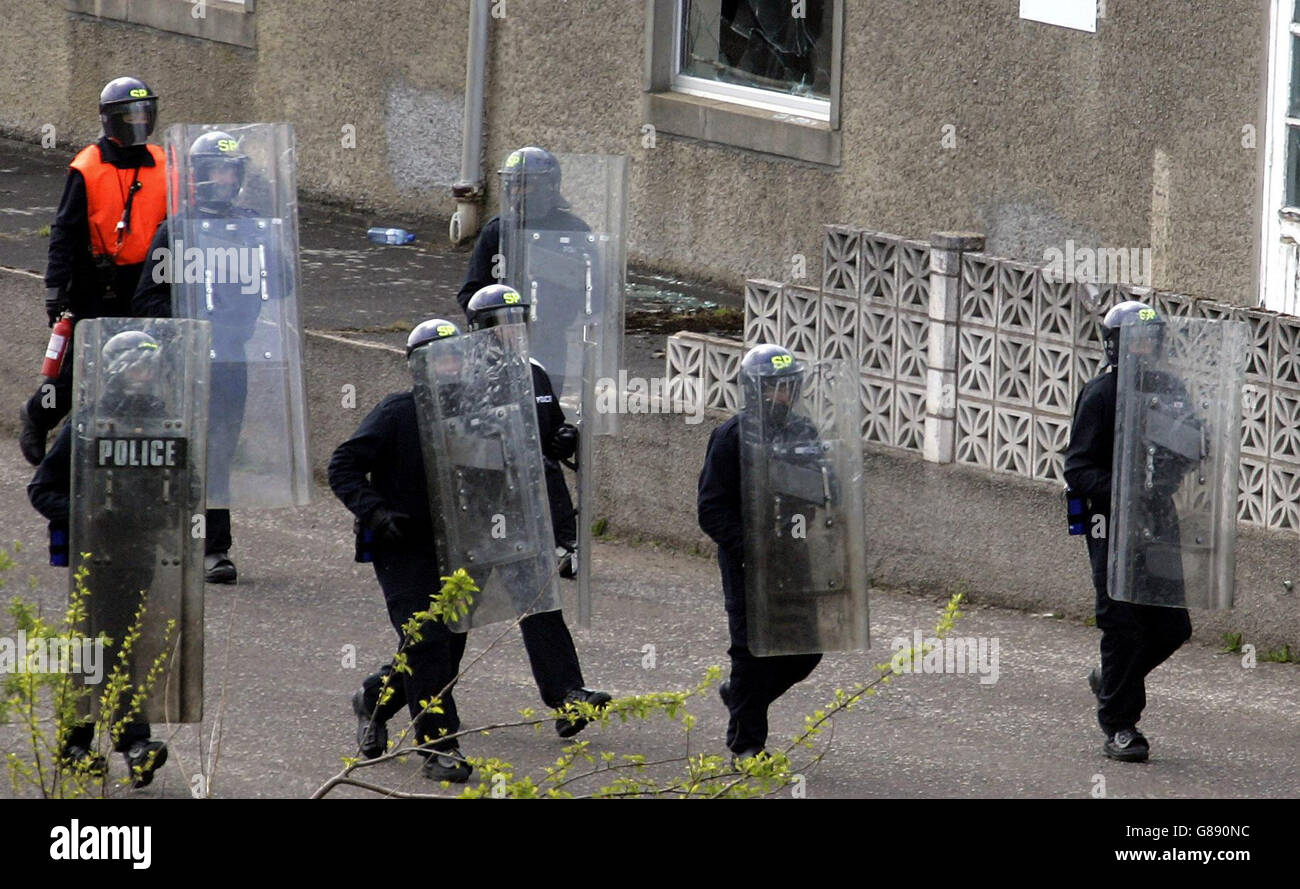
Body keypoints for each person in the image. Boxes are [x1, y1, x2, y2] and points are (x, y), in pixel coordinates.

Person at [27, 329, 175, 788]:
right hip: (97, 553)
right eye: (136, 365)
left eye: (150, 366)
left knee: (119, 642)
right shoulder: (88, 423)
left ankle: (88, 740)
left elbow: (184, 485)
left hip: (143, 552)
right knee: (103, 643)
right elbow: (42, 489)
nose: (145, 375)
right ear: (115, 370)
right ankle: (125, 740)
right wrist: (88, 515)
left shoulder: (165, 420)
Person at [1064, 301, 1194, 763]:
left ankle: (1110, 679)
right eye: (1136, 340)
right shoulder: (1100, 394)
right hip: (1111, 524)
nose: (1145, 347)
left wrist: (1190, 444)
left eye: (1151, 339)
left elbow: (1191, 442)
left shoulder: (1169, 388)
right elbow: (1077, 468)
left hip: (1158, 521)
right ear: (1116, 345)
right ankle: (1120, 725)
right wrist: (1123, 492)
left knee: (1171, 626)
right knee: (1122, 624)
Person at [19, 77, 166, 467]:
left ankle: (120, 442)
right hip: (94, 280)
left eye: (143, 113)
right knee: (80, 369)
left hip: (144, 280)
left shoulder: (164, 164)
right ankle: (37, 415)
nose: (137, 121)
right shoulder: (87, 167)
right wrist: (56, 289)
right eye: (128, 114)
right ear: (110, 120)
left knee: (140, 363)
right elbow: (64, 232)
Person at [132, 130, 254, 585]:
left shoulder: (251, 227)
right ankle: (162, 535)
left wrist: (269, 252)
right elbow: (147, 299)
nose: (224, 178)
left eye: (230, 170)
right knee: (182, 453)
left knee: (220, 453)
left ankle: (214, 548)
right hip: (187, 361)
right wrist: (192, 324)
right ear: (199, 176)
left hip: (233, 360)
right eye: (216, 170)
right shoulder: (176, 231)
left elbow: (278, 287)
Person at [458, 146, 587, 573]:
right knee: (509, 446)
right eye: (514, 185)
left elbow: (598, 292)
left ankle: (561, 542)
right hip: (501, 354)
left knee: (543, 447)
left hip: (550, 353)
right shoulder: (497, 230)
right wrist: (496, 329)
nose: (519, 193)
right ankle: (513, 534)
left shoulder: (574, 231)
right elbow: (470, 292)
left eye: (527, 184)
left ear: (550, 187)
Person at [697, 343, 824, 762]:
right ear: (755, 392)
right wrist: (751, 549)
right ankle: (747, 744)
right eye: (774, 390)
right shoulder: (731, 437)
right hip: (749, 564)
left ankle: (740, 697)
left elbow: (822, 485)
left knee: (807, 650)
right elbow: (711, 510)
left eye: (789, 388)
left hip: (794, 557)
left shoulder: (803, 431)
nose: (783, 398)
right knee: (751, 654)